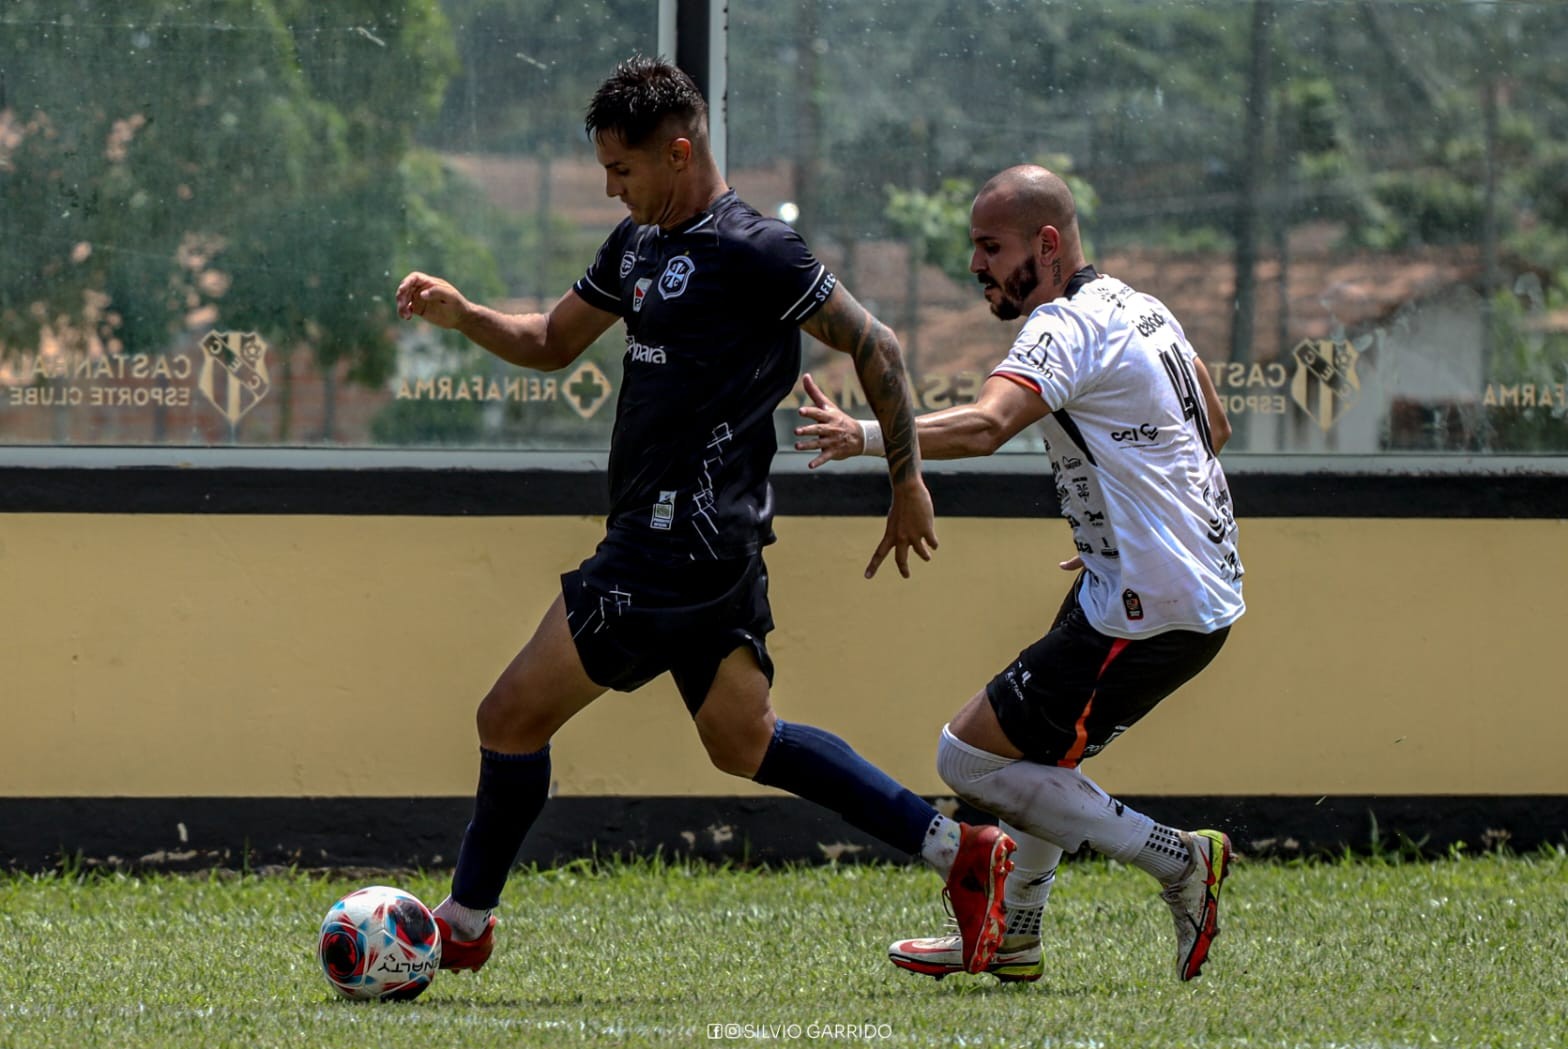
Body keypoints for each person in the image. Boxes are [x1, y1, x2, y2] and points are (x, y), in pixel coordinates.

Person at [392, 56, 1015, 978]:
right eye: (606, 170)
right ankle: (958, 854)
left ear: (678, 153)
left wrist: (907, 479)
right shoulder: (635, 244)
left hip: (671, 543)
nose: (612, 188)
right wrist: (463, 313)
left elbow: (873, 342)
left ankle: (467, 921)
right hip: (697, 543)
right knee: (744, 740)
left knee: (508, 715)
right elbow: (553, 342)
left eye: (624, 170)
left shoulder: (757, 249)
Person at [795, 163, 1244, 984]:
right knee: (1038, 762)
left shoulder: (1060, 325)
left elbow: (988, 424)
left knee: (967, 759)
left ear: (1046, 243)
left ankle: (1180, 861)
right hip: (1180, 591)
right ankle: (1013, 936)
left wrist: (865, 437)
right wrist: (1130, 521)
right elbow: (1209, 423)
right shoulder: (1141, 308)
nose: (976, 266)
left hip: (1148, 607)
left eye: (990, 247)